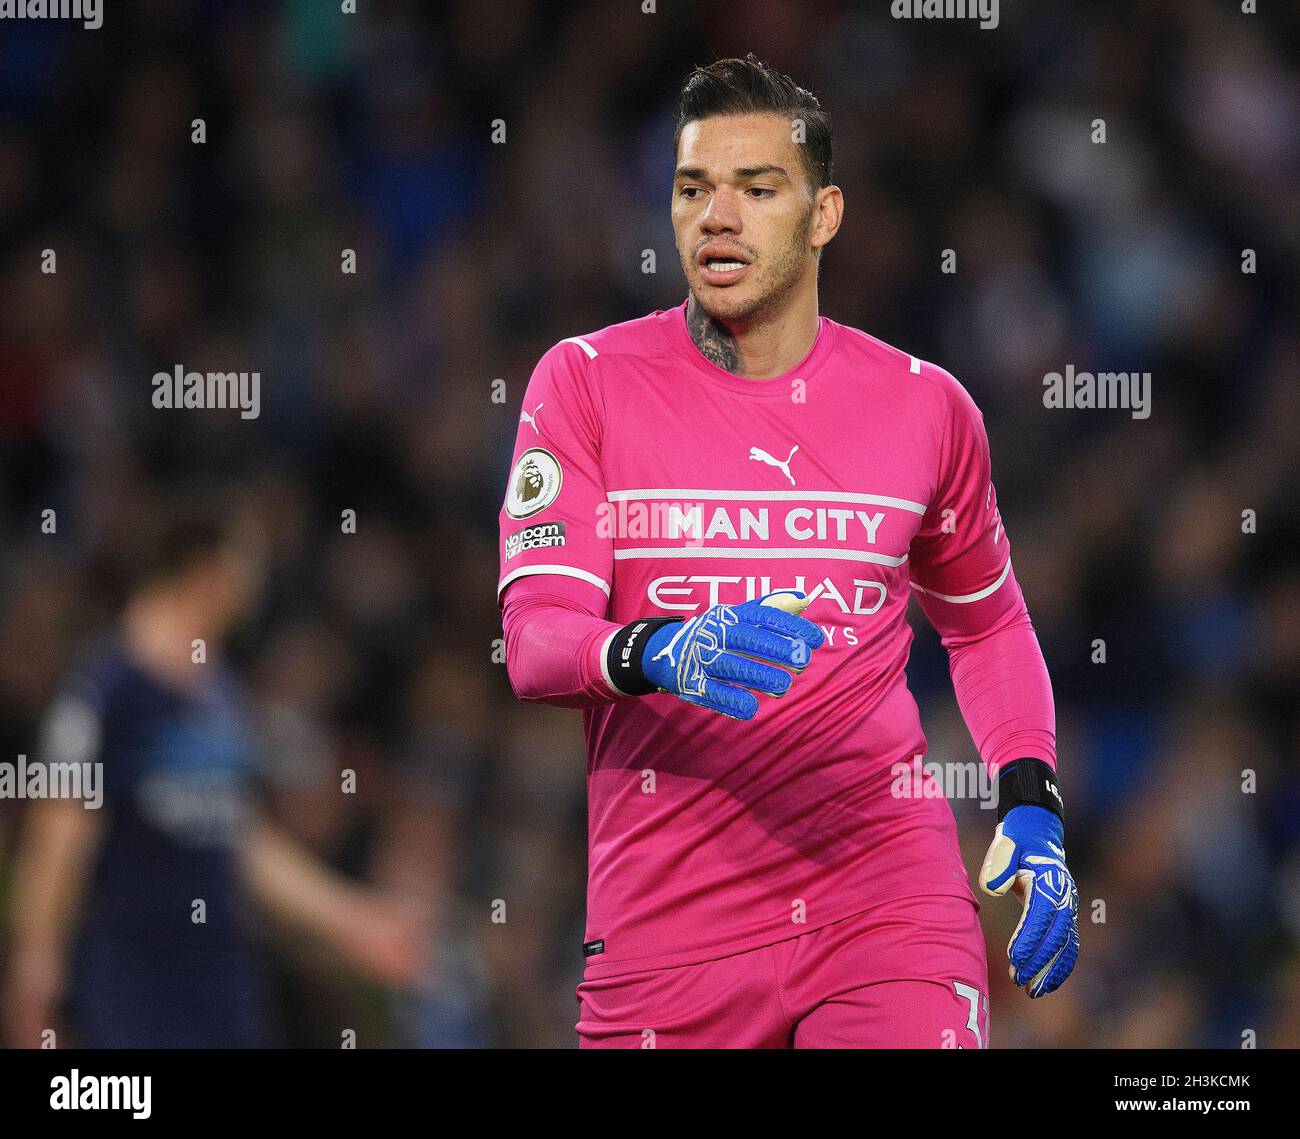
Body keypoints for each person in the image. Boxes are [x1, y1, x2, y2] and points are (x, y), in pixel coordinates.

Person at [496, 55, 1079, 1048]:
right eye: (693, 189)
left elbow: (985, 621)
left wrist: (1030, 797)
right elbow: (535, 641)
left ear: (823, 216)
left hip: (887, 899)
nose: (716, 216)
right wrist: (653, 649)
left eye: (757, 189)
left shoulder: (925, 405)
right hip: (668, 928)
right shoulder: (585, 382)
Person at [3, 492, 428, 1048]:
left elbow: (240, 839)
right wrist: (37, 965)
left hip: (222, 980)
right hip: (132, 980)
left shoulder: (220, 694)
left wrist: (350, 918)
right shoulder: (105, 692)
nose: (256, 584)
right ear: (206, 571)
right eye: (245, 562)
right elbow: (58, 835)